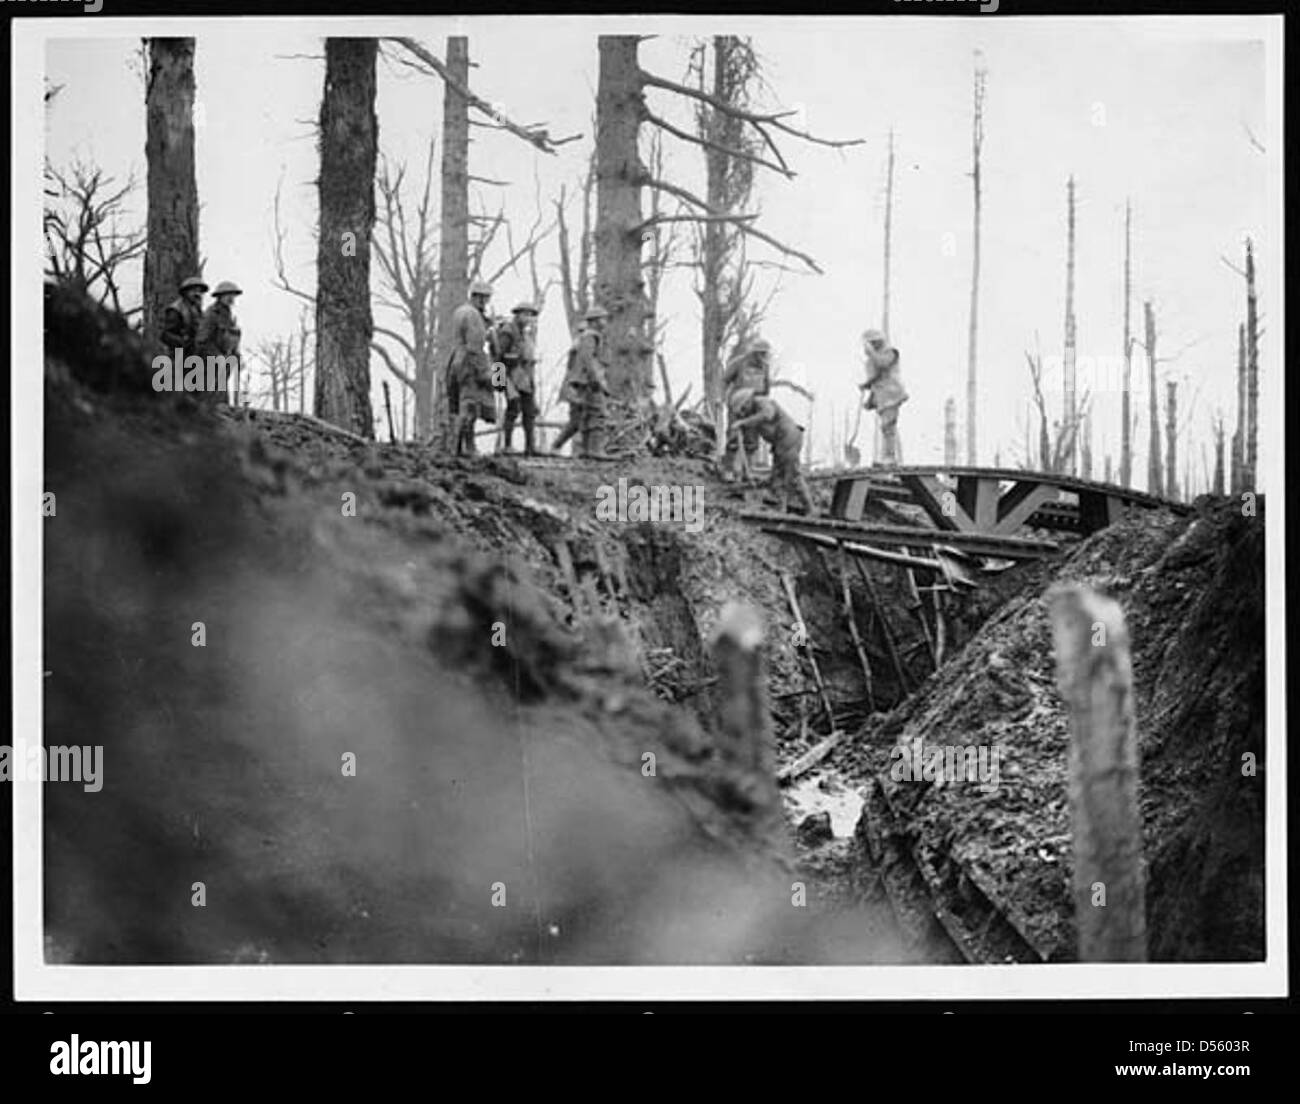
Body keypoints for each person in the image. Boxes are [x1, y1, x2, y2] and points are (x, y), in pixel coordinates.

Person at [727, 387, 816, 514]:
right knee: (776, 478)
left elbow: (767, 415)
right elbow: (749, 444)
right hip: (780, 443)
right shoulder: (753, 415)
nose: (742, 413)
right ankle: (781, 509)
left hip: (788, 438)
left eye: (742, 409)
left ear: (747, 402)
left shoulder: (762, 402)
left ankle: (810, 509)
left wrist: (743, 423)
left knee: (793, 475)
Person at [551, 305, 610, 458]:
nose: (605, 322)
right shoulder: (590, 337)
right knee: (597, 413)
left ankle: (587, 449)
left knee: (582, 418)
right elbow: (587, 360)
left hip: (580, 382)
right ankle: (594, 450)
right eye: (603, 318)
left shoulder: (586, 338)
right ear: (596, 321)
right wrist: (596, 380)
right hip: (587, 382)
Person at [447, 280, 495, 456]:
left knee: (463, 404)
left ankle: (461, 447)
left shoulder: (461, 311)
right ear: (476, 297)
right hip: (470, 364)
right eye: (482, 298)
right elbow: (475, 345)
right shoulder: (473, 315)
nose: (485, 302)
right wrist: (484, 372)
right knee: (470, 406)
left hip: (457, 361)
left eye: (486, 298)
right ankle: (465, 447)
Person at [494, 301, 540, 455]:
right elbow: (497, 357)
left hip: (523, 375)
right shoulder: (507, 331)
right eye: (525, 314)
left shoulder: (523, 334)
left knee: (529, 410)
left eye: (530, 315)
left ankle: (530, 447)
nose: (528, 318)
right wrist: (499, 381)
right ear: (517, 314)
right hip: (508, 374)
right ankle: (507, 445)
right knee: (514, 407)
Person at [859, 328, 907, 466]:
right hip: (883, 399)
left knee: (888, 426)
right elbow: (877, 381)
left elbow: (883, 364)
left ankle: (890, 457)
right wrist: (869, 397)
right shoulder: (874, 359)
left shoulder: (890, 353)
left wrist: (871, 353)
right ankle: (888, 456)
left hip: (892, 395)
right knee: (886, 428)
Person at [195, 280, 243, 404]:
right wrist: (218, 357)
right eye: (227, 295)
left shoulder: (228, 316)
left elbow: (229, 339)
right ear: (219, 297)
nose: (231, 298)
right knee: (211, 401)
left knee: (222, 401)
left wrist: (236, 355)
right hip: (209, 365)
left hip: (223, 365)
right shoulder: (211, 314)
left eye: (233, 295)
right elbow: (202, 341)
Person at [159, 275, 208, 360]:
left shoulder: (198, 311)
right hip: (179, 356)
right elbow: (166, 335)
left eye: (199, 291)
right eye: (194, 290)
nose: (197, 294)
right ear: (185, 292)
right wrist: (184, 342)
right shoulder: (176, 310)